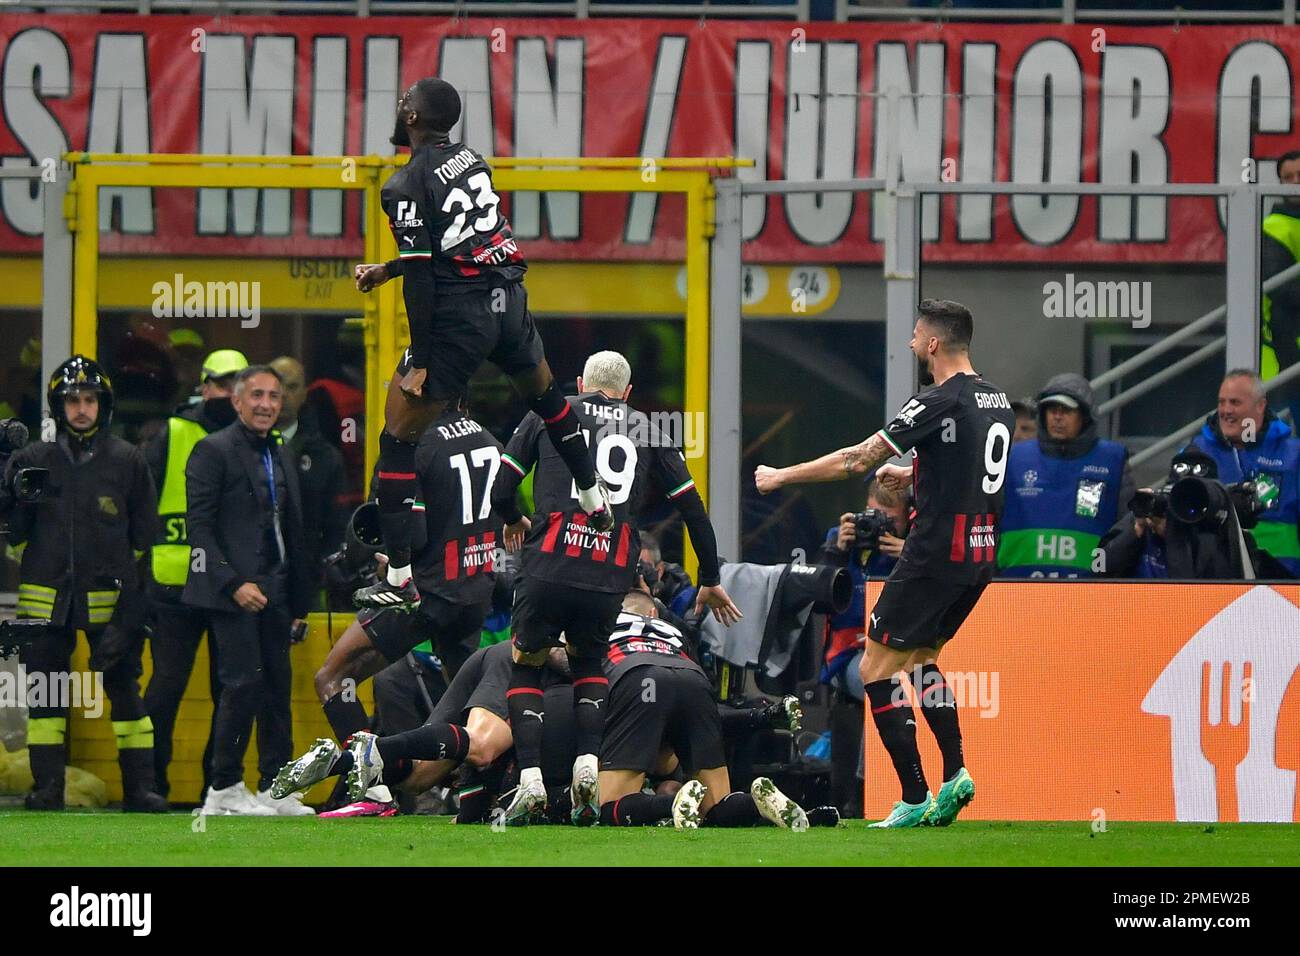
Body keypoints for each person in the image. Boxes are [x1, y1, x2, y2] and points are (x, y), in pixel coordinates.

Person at [349, 77, 612, 612]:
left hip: (459, 320)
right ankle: (590, 491)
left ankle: (398, 577)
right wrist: (388, 269)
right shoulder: (470, 159)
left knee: (397, 436)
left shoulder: (402, 185)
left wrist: (422, 359)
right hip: (508, 300)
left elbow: (426, 278)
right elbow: (464, 244)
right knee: (547, 399)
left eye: (406, 101)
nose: (399, 106)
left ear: (415, 118)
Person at [755, 298, 1015, 828]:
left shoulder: (935, 400)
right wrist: (915, 478)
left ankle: (915, 795)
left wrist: (782, 475)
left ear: (935, 343)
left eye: (917, 335)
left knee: (874, 667)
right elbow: (968, 470)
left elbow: (857, 459)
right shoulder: (998, 400)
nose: (912, 343)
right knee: (920, 660)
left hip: (933, 554)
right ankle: (956, 773)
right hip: (980, 554)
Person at [490, 349, 742, 825]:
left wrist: (515, 520)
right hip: (609, 571)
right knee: (589, 661)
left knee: (527, 661)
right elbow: (693, 511)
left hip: (549, 560)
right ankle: (588, 763)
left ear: (581, 381)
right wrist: (709, 577)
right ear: (628, 393)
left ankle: (531, 782)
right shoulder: (649, 428)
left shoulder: (550, 411)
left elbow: (501, 490)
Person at [302, 398, 506, 813]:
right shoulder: (489, 439)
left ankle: (373, 791)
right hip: (473, 589)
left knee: (332, 675)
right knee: (467, 704)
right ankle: (485, 795)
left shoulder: (417, 444)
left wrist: (392, 564)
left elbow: (414, 531)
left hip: (425, 593)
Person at [2, 356, 167, 812]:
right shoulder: (32, 460)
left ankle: (141, 790)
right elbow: (12, 534)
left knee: (126, 697)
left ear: (103, 405)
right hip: (43, 602)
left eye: (89, 399)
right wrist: (8, 490)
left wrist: (130, 618)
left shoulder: (128, 460)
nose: (81, 408)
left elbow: (145, 543)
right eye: (72, 400)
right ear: (58, 406)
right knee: (46, 701)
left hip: (110, 604)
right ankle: (46, 789)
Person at [183, 365, 315, 816]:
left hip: (278, 593)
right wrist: (232, 583)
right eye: (255, 395)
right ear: (236, 402)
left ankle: (276, 787)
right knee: (241, 686)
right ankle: (224, 788)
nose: (265, 404)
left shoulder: (280, 451)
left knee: (278, 689)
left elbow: (295, 531)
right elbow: (198, 529)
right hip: (231, 593)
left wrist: (300, 602)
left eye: (273, 396)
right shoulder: (211, 450)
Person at [596, 590, 808, 830]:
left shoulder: (600, 623)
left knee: (607, 806)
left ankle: (672, 804)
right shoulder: (672, 630)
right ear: (654, 613)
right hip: (692, 677)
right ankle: (756, 804)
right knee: (716, 807)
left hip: (636, 674)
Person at [141, 348, 246, 799]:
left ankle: (218, 786)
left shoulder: (256, 438)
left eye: (236, 384)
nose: (229, 393)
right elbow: (138, 503)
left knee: (230, 691)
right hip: (174, 583)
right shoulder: (172, 432)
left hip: (230, 586)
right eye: (223, 384)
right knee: (166, 688)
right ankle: (148, 782)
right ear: (204, 386)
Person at [997, 373, 1134, 578]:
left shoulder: (1112, 460)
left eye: (1067, 410)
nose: (1058, 417)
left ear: (1085, 416)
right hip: (1012, 593)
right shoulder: (1012, 457)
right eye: (1052, 409)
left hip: (1091, 595)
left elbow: (1128, 527)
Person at [1185, 370, 1300, 576]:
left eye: (1235, 403)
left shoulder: (1294, 455)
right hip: (1213, 584)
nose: (1226, 410)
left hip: (1283, 587)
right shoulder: (1195, 453)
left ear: (1260, 406)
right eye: (1222, 402)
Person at [269, 356, 346, 583]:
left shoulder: (325, 456)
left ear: (304, 394)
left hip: (306, 576)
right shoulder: (240, 449)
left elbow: (336, 523)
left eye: (291, 387)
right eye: (275, 386)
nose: (282, 394)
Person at [1262, 149, 1300, 433]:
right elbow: (1282, 289)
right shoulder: (1273, 227)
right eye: (1288, 177)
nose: (1295, 182)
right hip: (1286, 346)